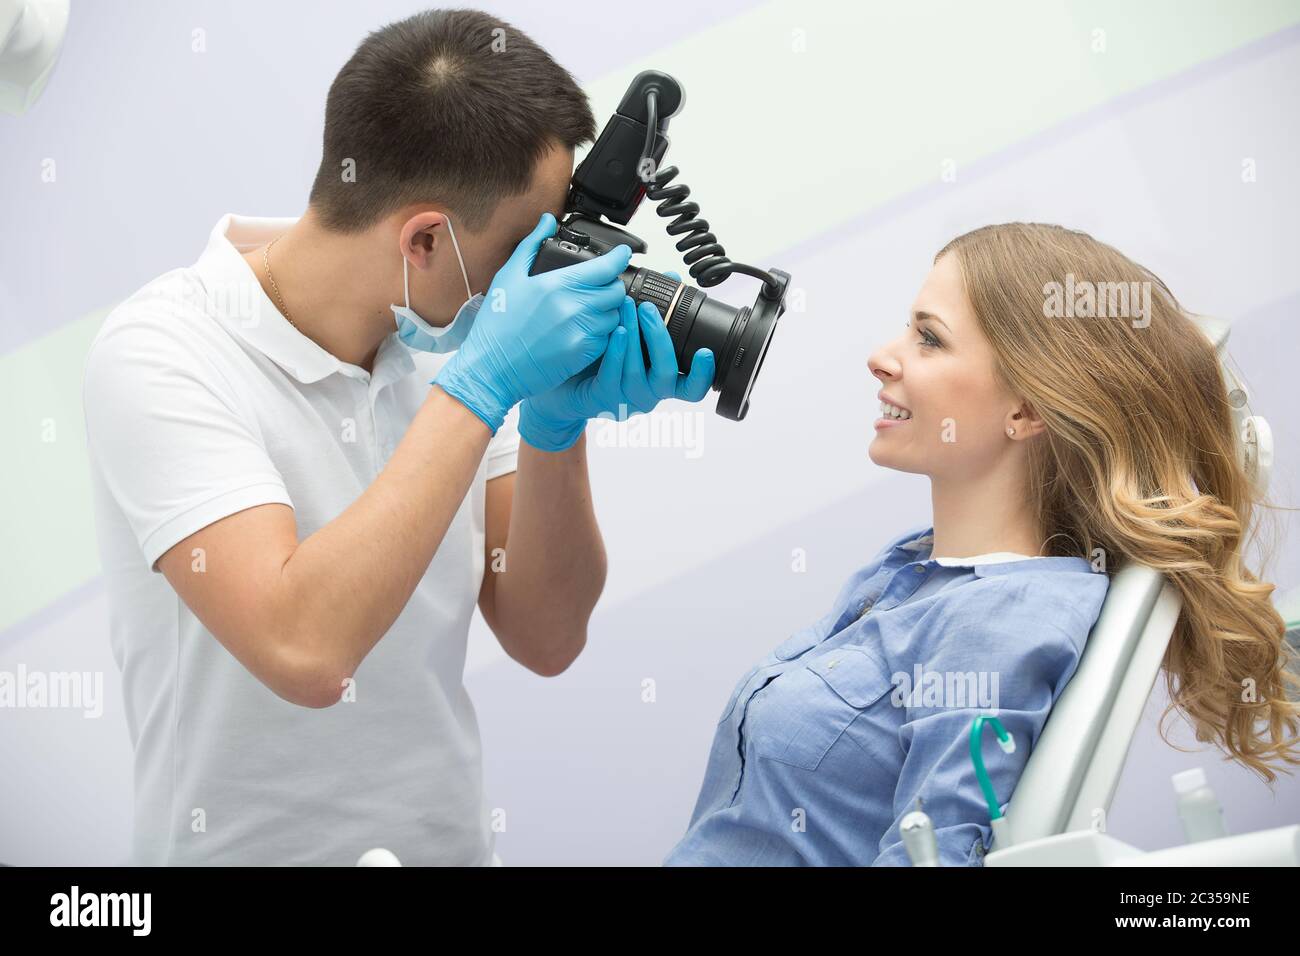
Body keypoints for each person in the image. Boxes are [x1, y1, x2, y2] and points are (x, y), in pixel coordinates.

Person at [81, 9, 713, 866]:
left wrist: (553, 425)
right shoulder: (163, 351)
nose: (541, 283)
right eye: (527, 252)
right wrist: (485, 386)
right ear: (424, 239)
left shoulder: (444, 340)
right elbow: (304, 651)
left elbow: (545, 635)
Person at [665, 223, 1300, 866]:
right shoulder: (909, 570)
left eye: (930, 338)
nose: (883, 356)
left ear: (1026, 412)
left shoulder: (1002, 620)